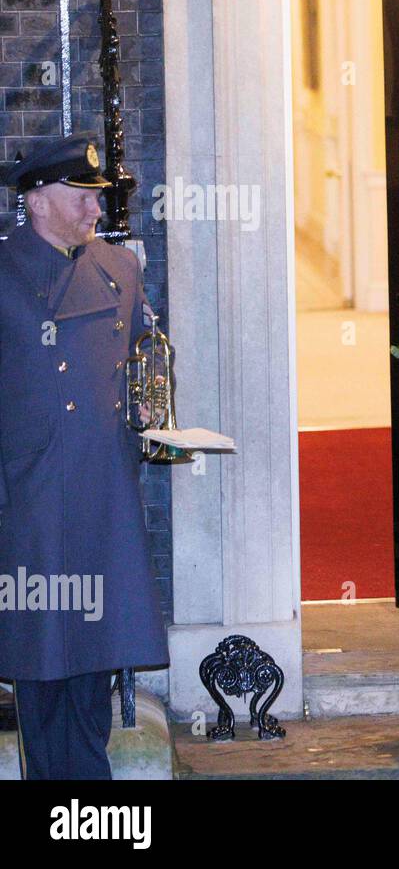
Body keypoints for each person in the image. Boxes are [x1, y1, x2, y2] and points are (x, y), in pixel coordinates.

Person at [0, 133, 169, 778]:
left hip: (100, 498)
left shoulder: (120, 268)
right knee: (40, 668)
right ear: (38, 199)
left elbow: (133, 368)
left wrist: (151, 416)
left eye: (98, 198)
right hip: (30, 502)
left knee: (94, 660)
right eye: (80, 196)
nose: (95, 210)